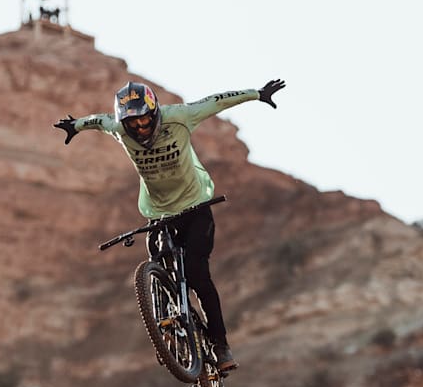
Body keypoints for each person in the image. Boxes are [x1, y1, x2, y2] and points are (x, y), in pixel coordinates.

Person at [54, 79, 286, 372]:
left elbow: (216, 101)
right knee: (157, 257)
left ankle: (220, 344)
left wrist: (257, 94)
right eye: (132, 124)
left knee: (197, 272)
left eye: (144, 121)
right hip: (158, 211)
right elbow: (98, 121)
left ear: (154, 113)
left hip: (197, 207)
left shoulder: (180, 117)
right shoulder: (119, 129)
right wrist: (75, 126)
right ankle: (170, 319)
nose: (139, 129)